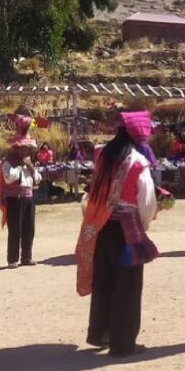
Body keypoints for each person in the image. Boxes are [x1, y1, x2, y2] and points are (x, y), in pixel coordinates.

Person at [75, 111, 158, 357]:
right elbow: (147, 202)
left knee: (105, 282)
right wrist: (143, 226)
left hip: (102, 228)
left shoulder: (103, 156)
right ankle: (123, 343)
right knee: (128, 287)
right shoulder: (137, 162)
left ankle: (100, 333)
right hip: (127, 231)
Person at [0, 114, 41, 268]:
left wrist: (30, 167)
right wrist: (21, 166)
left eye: (29, 148)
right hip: (14, 200)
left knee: (29, 229)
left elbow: (38, 179)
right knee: (15, 229)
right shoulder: (8, 163)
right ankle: (12, 258)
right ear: (17, 148)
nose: (28, 150)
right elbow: (9, 178)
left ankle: (27, 257)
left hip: (28, 198)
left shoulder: (30, 163)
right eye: (25, 147)